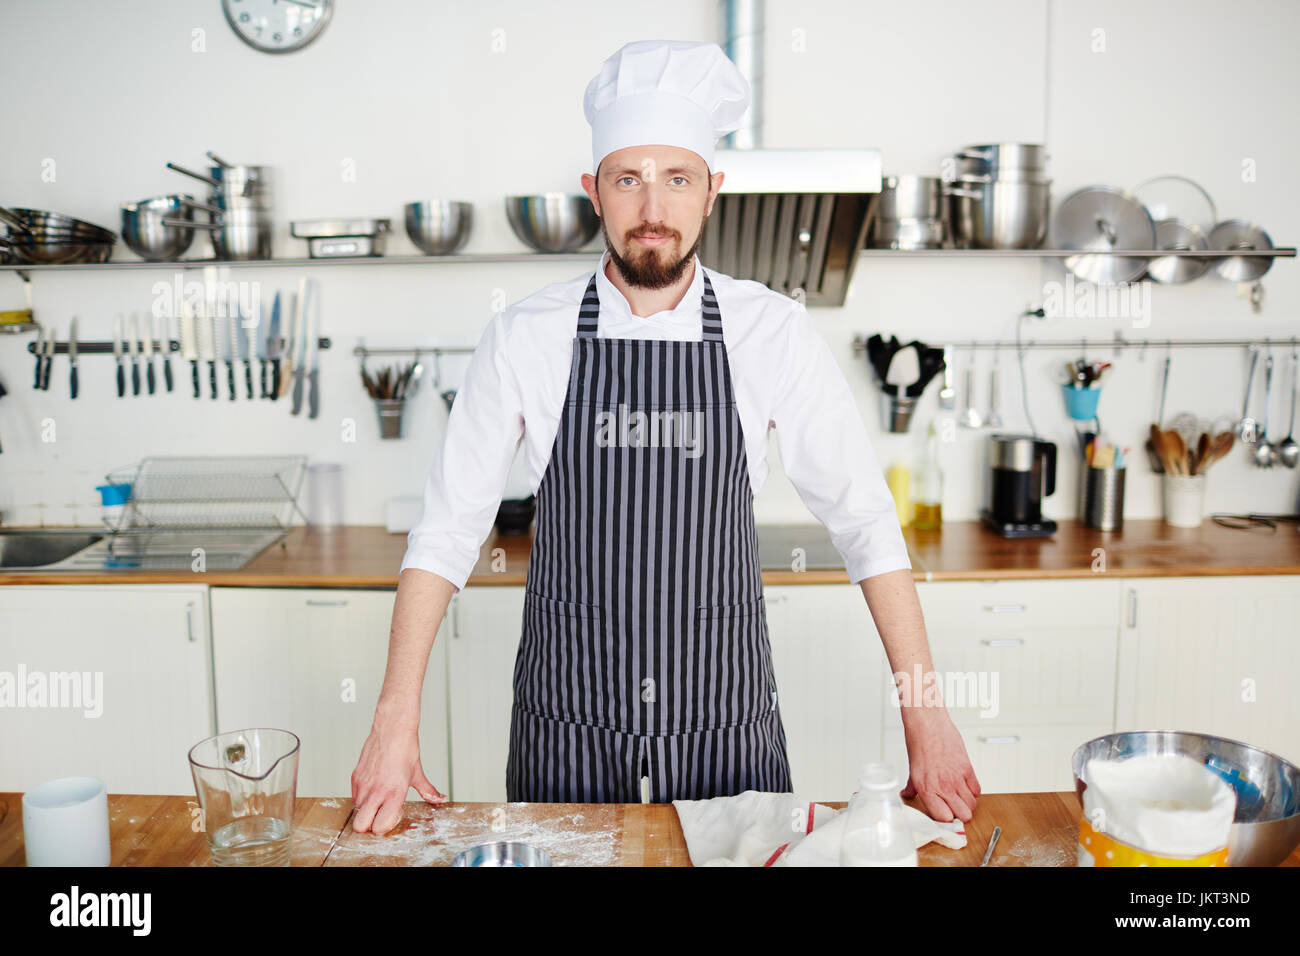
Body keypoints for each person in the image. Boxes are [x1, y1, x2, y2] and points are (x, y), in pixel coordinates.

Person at [351, 38, 979, 835]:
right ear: (594, 192)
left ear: (713, 191)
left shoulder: (772, 332)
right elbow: (444, 536)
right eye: (628, 179)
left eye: (677, 178)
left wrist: (927, 716)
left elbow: (867, 524)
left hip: (727, 730)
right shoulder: (525, 338)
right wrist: (392, 720)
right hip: (565, 732)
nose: (653, 209)